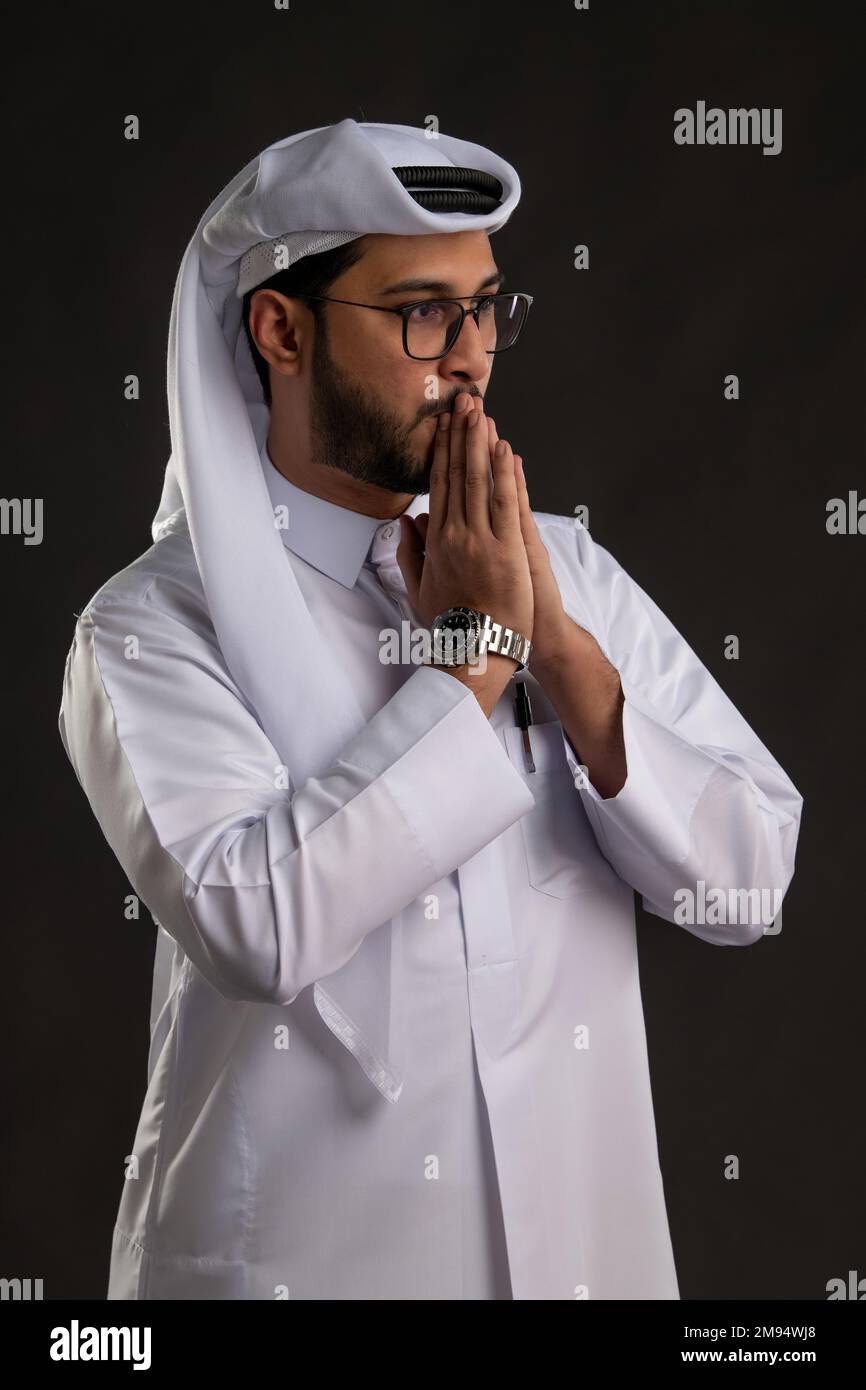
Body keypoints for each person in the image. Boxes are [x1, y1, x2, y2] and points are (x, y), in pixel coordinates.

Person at [58, 119, 803, 1300]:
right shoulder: (150, 627)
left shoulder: (564, 572)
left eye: (486, 309)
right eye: (419, 312)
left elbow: (752, 878)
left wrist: (555, 648)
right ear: (280, 327)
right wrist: (467, 662)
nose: (467, 358)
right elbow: (258, 927)